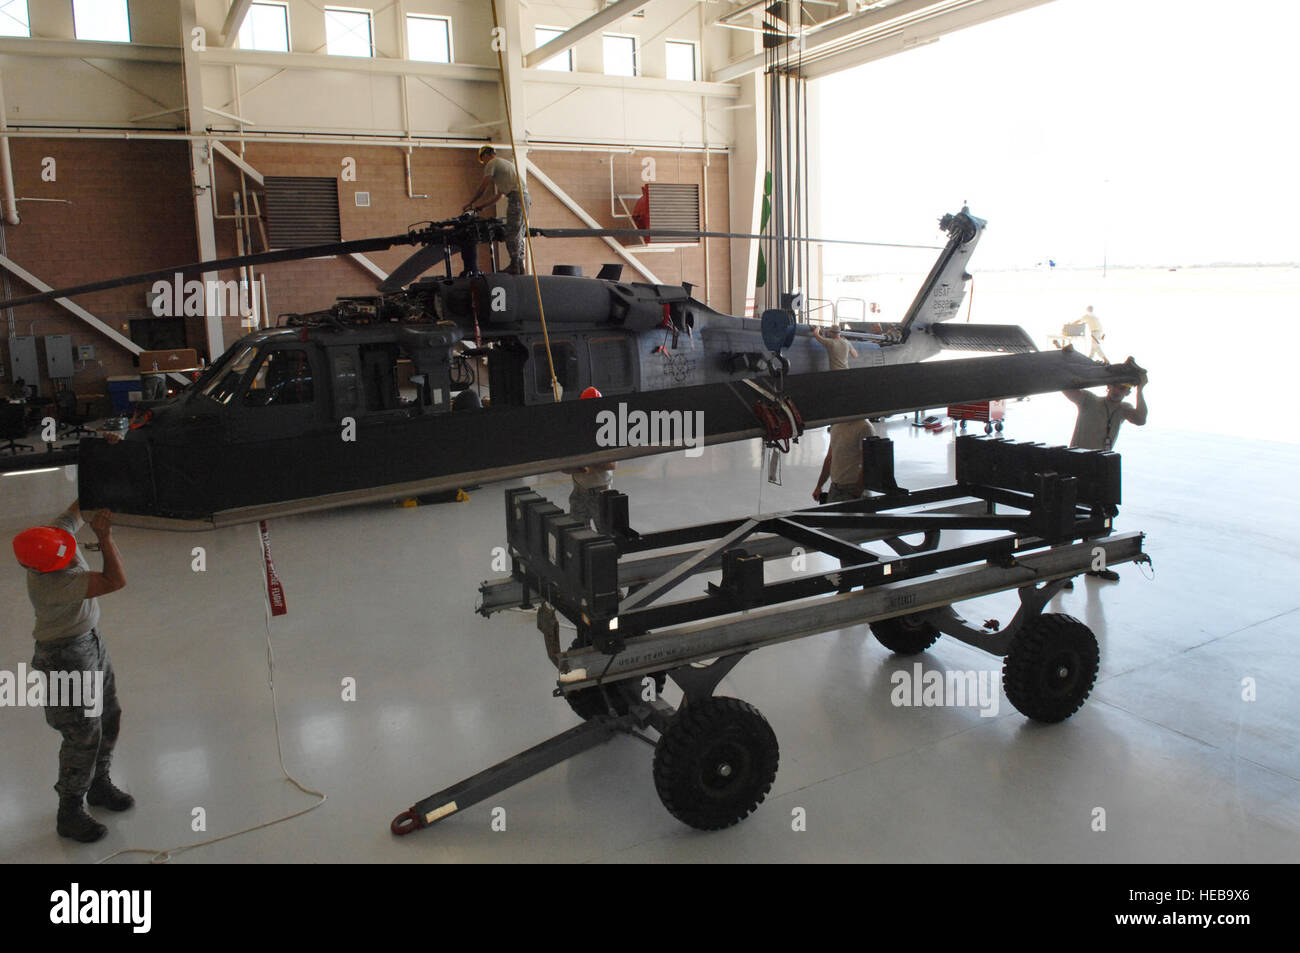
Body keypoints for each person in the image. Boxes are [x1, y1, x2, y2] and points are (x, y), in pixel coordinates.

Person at [14, 501, 130, 843]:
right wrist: (105, 538)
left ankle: (99, 784)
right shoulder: (52, 584)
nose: (71, 558)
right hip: (65, 656)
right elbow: (115, 579)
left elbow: (78, 508)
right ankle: (70, 810)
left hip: (90, 641)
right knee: (82, 733)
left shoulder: (52, 538)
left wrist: (101, 466)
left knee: (109, 713)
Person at [1063, 367, 1149, 582]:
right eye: (1115, 386)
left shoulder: (1123, 409)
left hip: (1101, 469)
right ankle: (1060, 572)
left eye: (1123, 388)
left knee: (1103, 521)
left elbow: (1141, 419)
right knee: (1067, 520)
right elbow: (1068, 386)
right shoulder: (1089, 400)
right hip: (1078, 465)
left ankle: (1096, 567)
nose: (1118, 391)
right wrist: (1095, 375)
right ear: (1108, 386)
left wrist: (1141, 389)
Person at [464, 146, 531, 275]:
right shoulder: (504, 165)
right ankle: (519, 266)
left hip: (516, 197)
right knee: (518, 231)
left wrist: (471, 202)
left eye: (482, 159)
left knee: (512, 231)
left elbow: (484, 185)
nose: (483, 162)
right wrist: (482, 206)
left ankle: (515, 265)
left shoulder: (492, 163)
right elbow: (498, 196)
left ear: (486, 155)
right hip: (524, 198)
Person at [563, 387, 616, 530]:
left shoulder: (606, 431)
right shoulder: (576, 431)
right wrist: (574, 466)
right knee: (578, 537)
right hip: (579, 492)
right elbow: (565, 467)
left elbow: (611, 463)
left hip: (601, 495)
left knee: (608, 537)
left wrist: (585, 463)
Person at [813, 418, 873, 503]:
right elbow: (830, 458)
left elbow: (867, 463)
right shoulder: (836, 424)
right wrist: (819, 486)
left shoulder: (864, 427)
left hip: (853, 488)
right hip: (835, 488)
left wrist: (857, 492)